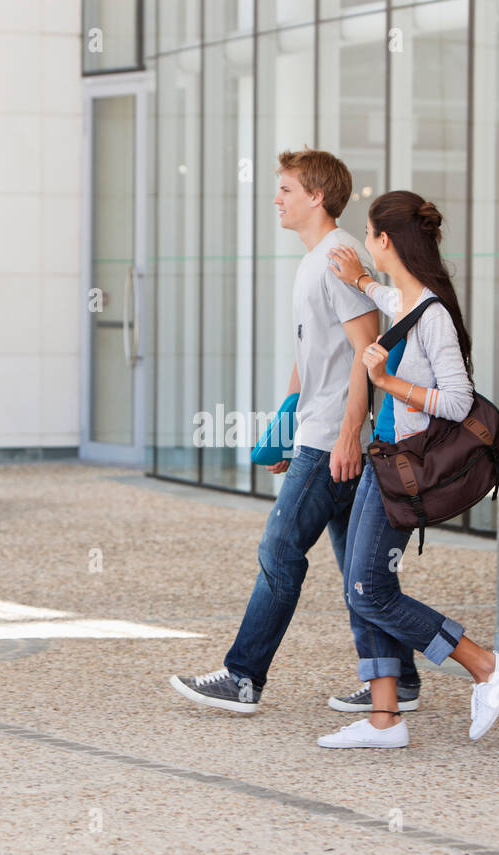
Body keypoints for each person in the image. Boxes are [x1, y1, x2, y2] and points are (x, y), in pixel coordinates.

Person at [169, 149, 423, 714]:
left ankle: (242, 677)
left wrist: (348, 435)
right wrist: (285, 427)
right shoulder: (313, 261)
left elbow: (368, 354)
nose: (277, 199)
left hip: (334, 439)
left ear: (316, 196)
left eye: (285, 189)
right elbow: (310, 358)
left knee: (280, 548)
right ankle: (398, 678)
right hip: (316, 433)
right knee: (359, 567)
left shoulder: (339, 256)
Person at [318, 191, 499, 748]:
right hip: (384, 463)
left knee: (369, 590)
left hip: (405, 471)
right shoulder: (405, 301)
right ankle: (385, 721)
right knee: (362, 585)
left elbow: (457, 400)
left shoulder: (432, 316)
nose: (364, 242)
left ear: (387, 240)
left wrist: (387, 384)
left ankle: (484, 665)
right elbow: (391, 296)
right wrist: (361, 281)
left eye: (368, 234)